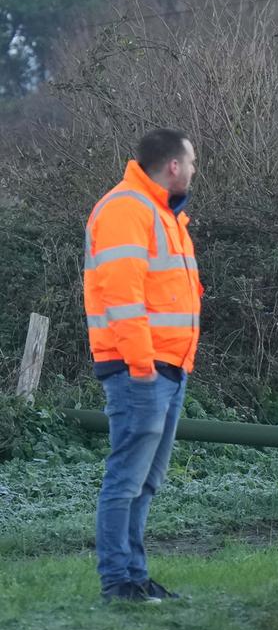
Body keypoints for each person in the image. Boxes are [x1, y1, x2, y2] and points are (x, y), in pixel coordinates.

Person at [86, 128, 201, 605]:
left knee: (144, 481)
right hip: (144, 369)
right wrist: (141, 366)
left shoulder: (157, 211)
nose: (195, 170)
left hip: (165, 367)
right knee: (126, 480)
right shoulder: (127, 209)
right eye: (191, 162)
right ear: (172, 165)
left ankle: (133, 575)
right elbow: (122, 295)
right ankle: (118, 581)